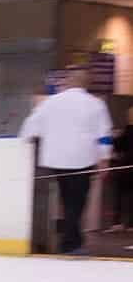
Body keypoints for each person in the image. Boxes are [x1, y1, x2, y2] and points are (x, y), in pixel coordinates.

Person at [18, 66, 113, 254]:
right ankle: (70, 244)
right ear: (86, 84)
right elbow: (103, 135)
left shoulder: (51, 102)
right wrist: (105, 159)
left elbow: (30, 126)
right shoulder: (95, 104)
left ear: (68, 82)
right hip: (82, 159)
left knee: (67, 198)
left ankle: (72, 241)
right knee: (76, 201)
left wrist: (25, 144)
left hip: (56, 160)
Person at [109, 106, 133, 232]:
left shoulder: (123, 133)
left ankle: (117, 223)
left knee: (119, 196)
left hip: (122, 168)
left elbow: (116, 148)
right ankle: (131, 224)